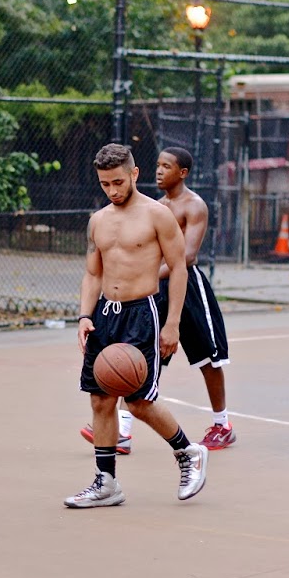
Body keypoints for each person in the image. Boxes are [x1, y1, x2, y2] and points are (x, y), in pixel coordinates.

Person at [66, 143, 209, 509]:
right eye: (105, 184)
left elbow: (179, 268)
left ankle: (188, 452)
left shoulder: (157, 215)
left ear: (134, 174)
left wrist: (173, 324)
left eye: (118, 182)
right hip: (105, 315)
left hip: (141, 313)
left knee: (139, 401)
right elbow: (92, 274)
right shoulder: (98, 220)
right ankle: (107, 483)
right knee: (100, 399)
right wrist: (85, 316)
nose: (112, 190)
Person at [76, 146, 237, 454]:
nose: (160, 171)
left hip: (187, 286)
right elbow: (95, 272)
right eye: (159, 165)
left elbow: (186, 258)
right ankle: (122, 428)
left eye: (167, 166)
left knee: (208, 355)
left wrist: (145, 274)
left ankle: (222, 424)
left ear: (183, 173)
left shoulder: (192, 206)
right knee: (135, 359)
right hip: (150, 291)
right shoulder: (143, 209)